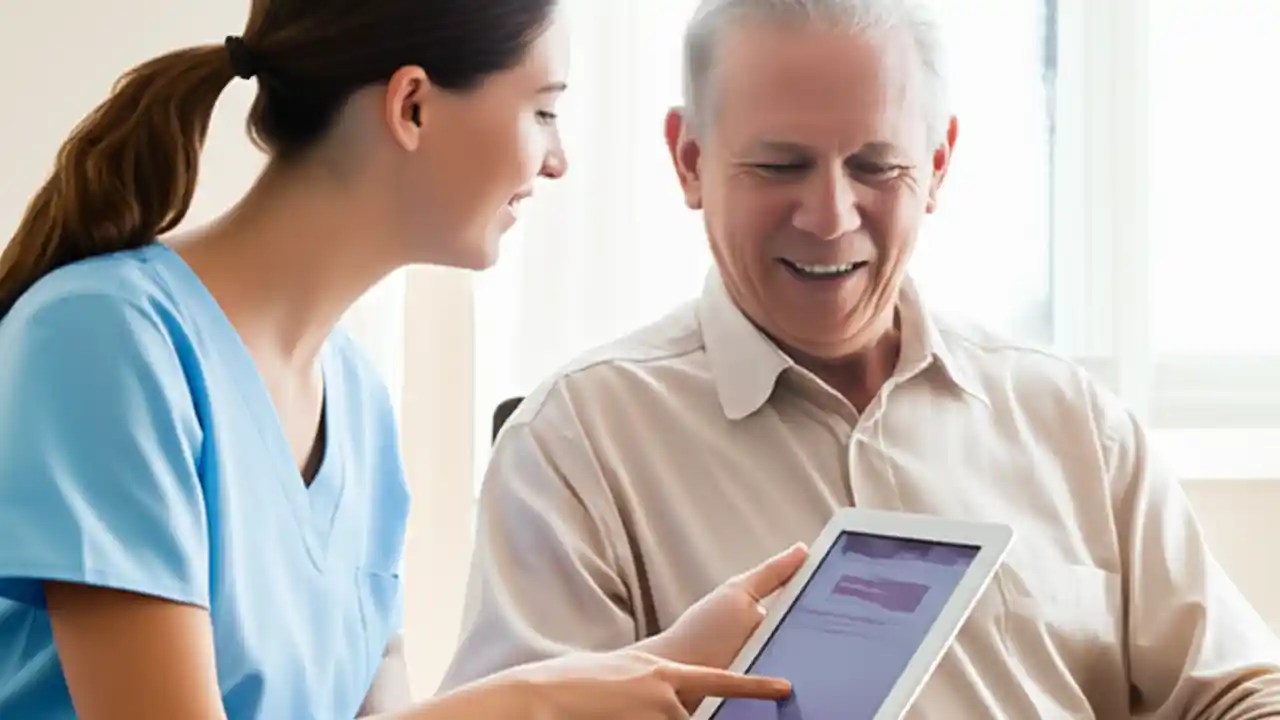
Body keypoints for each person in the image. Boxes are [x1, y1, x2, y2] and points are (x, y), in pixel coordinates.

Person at [440, 0, 1280, 716]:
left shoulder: (1071, 420)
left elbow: (1242, 690)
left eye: (877, 166)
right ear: (689, 160)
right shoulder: (578, 443)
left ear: (940, 164)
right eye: (780, 165)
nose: (831, 215)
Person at [0, 1, 807, 718]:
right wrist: (530, 699)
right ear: (412, 105)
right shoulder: (104, 342)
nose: (556, 161)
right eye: (543, 112)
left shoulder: (355, 401)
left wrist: (651, 666)